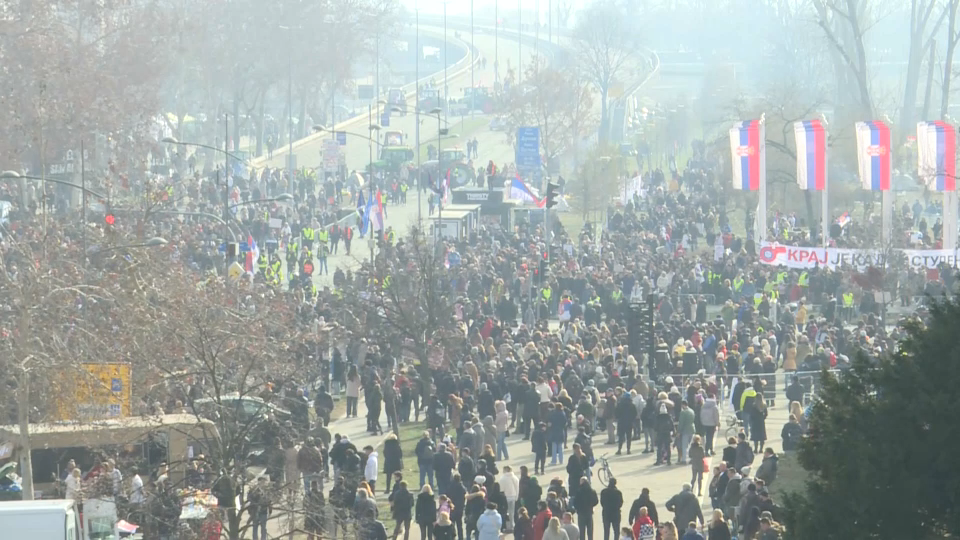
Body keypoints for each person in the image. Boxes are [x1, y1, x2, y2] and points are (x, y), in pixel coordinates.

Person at [499, 465, 520, 532]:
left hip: (506, 497)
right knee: (512, 511)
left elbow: (501, 489)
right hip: (513, 496)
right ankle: (512, 525)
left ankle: (506, 525)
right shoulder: (515, 478)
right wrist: (516, 496)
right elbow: (517, 488)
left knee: (505, 511)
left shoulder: (502, 478)